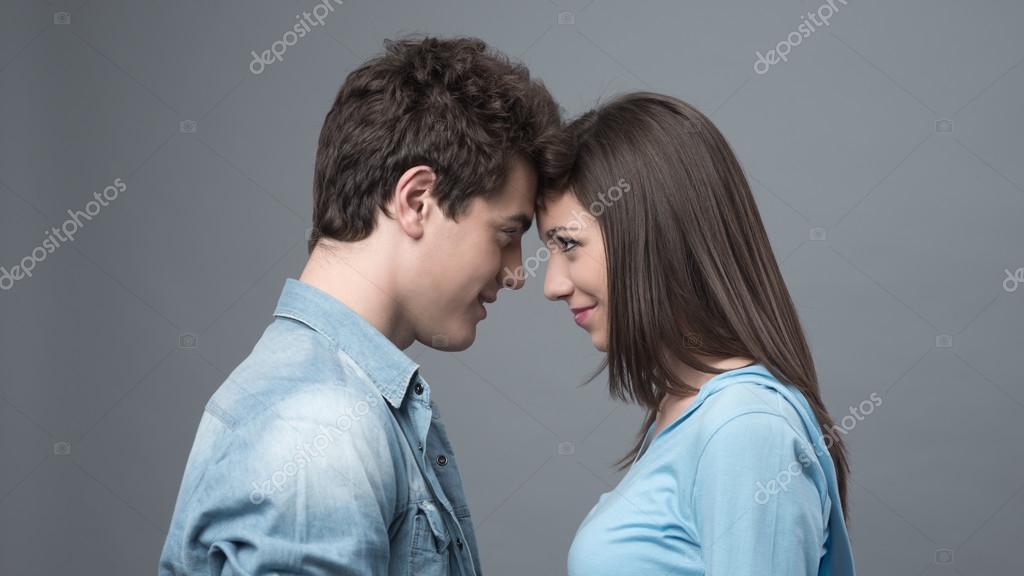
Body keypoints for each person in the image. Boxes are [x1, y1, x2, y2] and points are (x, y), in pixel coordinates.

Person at [159, 36, 561, 576]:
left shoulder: (341, 401)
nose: (516, 272)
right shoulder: (317, 425)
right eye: (506, 233)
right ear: (417, 201)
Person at [535, 92, 857, 575]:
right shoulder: (688, 409)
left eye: (569, 244)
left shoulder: (746, 428)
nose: (552, 285)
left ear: (652, 232)